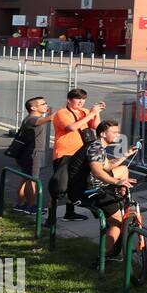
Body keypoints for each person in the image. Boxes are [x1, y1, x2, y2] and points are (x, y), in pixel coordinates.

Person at [72, 120, 137, 259]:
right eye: (114, 132)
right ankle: (104, 256)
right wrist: (117, 181)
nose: (117, 135)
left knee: (124, 169)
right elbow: (97, 172)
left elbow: (107, 167)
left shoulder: (98, 146)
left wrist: (126, 154)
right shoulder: (96, 148)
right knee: (118, 222)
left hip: (93, 186)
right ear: (102, 134)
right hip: (89, 191)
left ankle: (121, 200)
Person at [50, 89, 105, 223]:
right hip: (65, 154)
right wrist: (91, 113)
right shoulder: (62, 113)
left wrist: (96, 114)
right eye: (77, 99)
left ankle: (70, 213)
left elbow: (97, 127)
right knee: (60, 186)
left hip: (82, 154)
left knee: (79, 184)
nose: (81, 101)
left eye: (83, 99)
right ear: (69, 100)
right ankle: (51, 218)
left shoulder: (85, 111)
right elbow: (72, 127)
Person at [14, 96, 53, 214]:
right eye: (43, 104)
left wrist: (47, 114)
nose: (46, 105)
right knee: (33, 180)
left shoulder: (31, 118)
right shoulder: (31, 119)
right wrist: (56, 115)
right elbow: (43, 120)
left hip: (27, 153)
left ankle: (20, 204)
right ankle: (31, 206)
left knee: (25, 179)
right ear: (33, 107)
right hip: (33, 153)